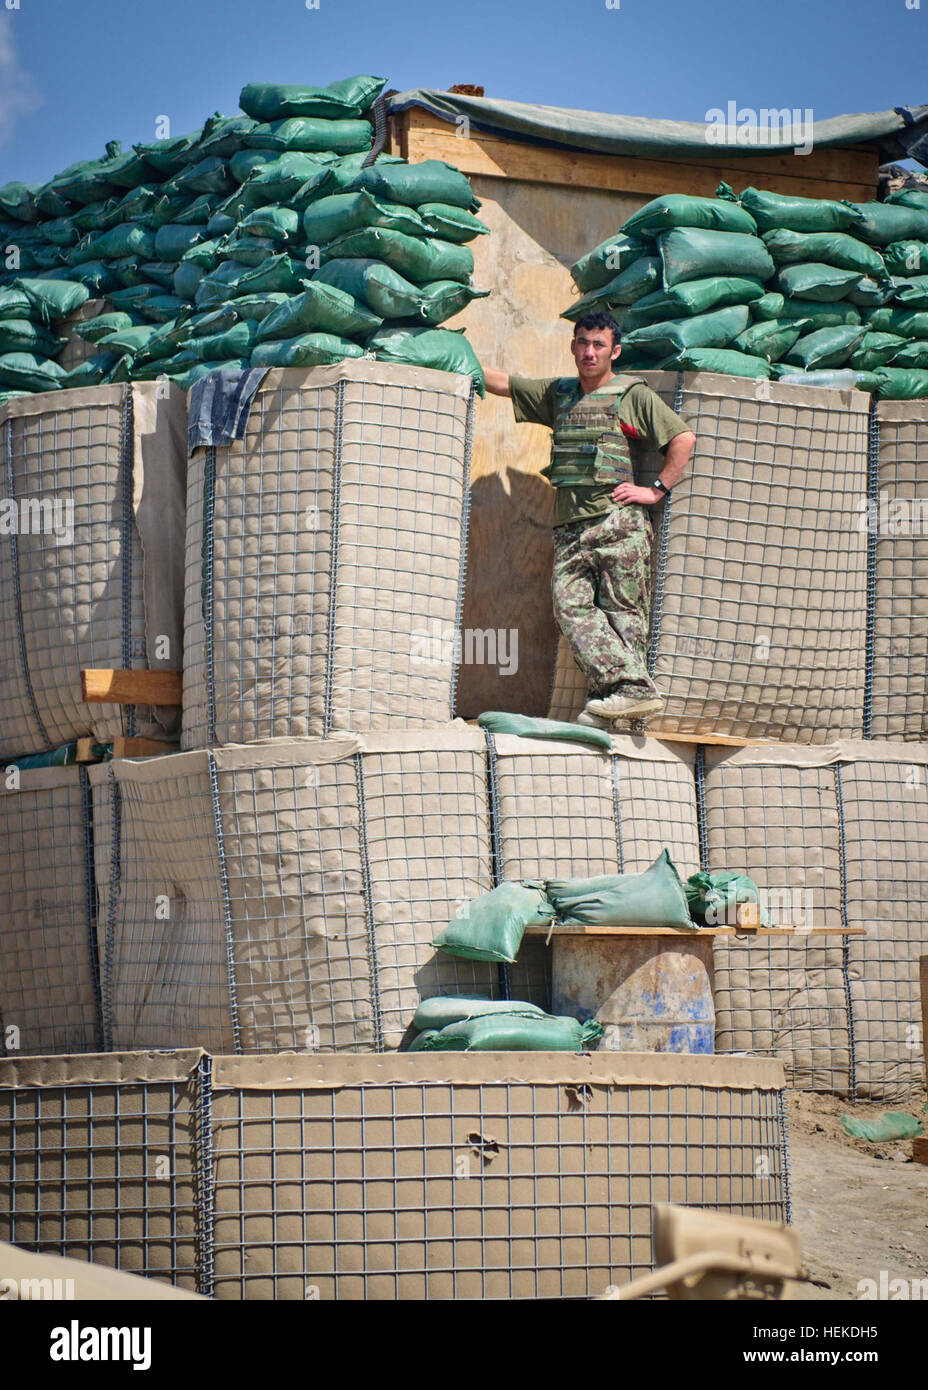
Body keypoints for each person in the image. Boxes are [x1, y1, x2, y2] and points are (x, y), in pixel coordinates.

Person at [483, 311, 696, 724]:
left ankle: (621, 711)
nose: (589, 352)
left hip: (618, 525)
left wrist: (655, 491)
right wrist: (457, 362)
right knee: (569, 607)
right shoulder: (559, 393)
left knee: (624, 618)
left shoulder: (630, 394)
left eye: (598, 345)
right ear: (572, 346)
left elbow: (683, 438)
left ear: (614, 351)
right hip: (570, 529)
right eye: (582, 342)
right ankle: (629, 688)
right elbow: (504, 384)